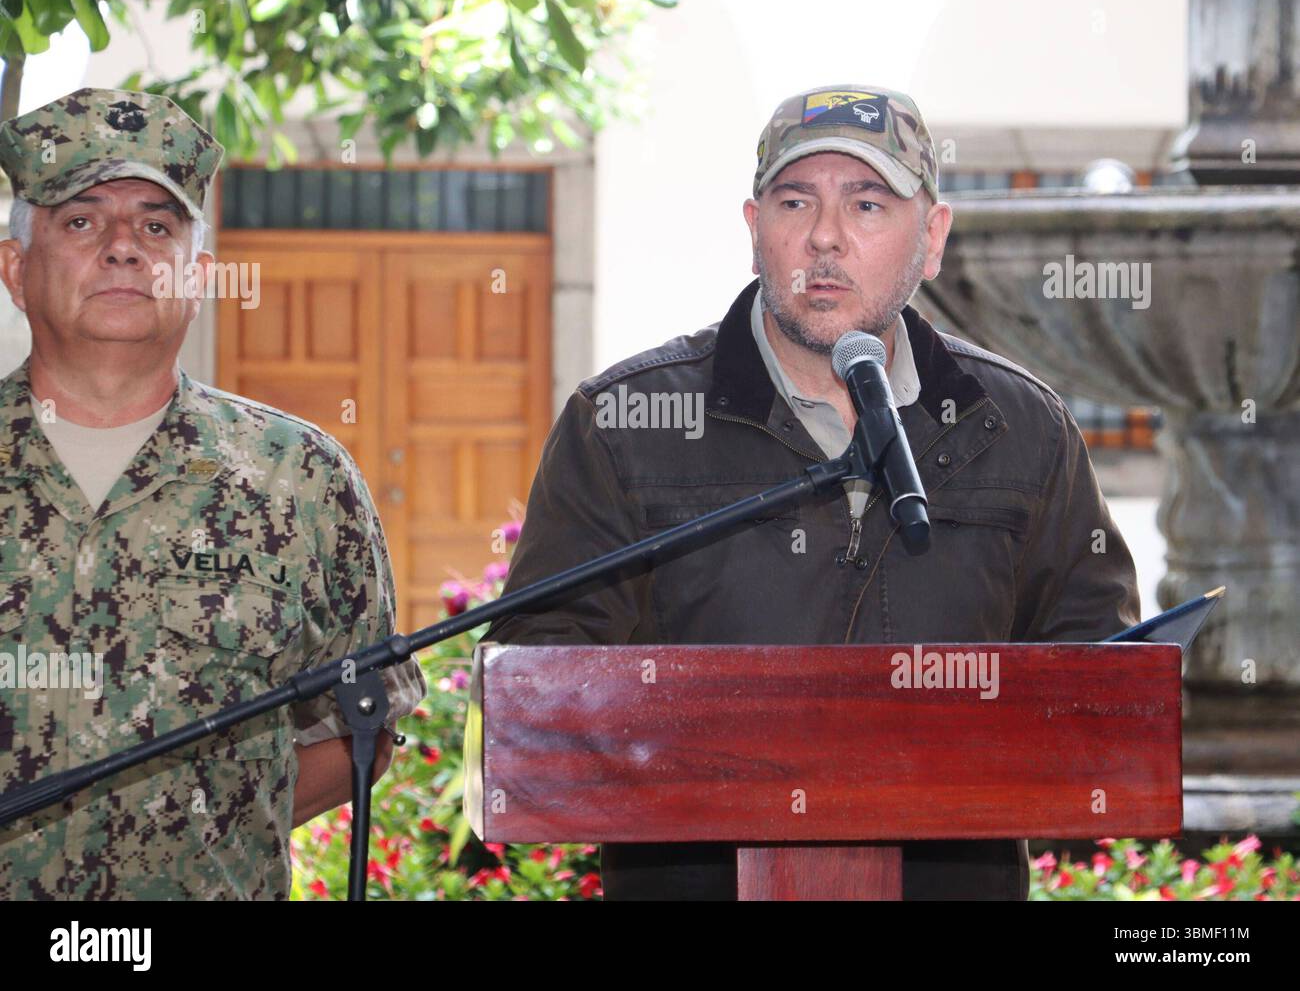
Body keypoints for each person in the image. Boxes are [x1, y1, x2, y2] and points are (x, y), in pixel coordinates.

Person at [483, 84, 1141, 900]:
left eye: (868, 204)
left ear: (931, 237)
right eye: (796, 201)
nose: (825, 237)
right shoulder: (625, 423)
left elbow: (1103, 674)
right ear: (756, 231)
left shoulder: (1021, 426)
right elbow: (539, 676)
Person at [0, 88, 426, 899]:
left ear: (196, 274)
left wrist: (207, 827)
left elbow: (365, 721)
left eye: (157, 226)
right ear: (16, 268)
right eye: (82, 221)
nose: (125, 248)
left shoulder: (299, 477)